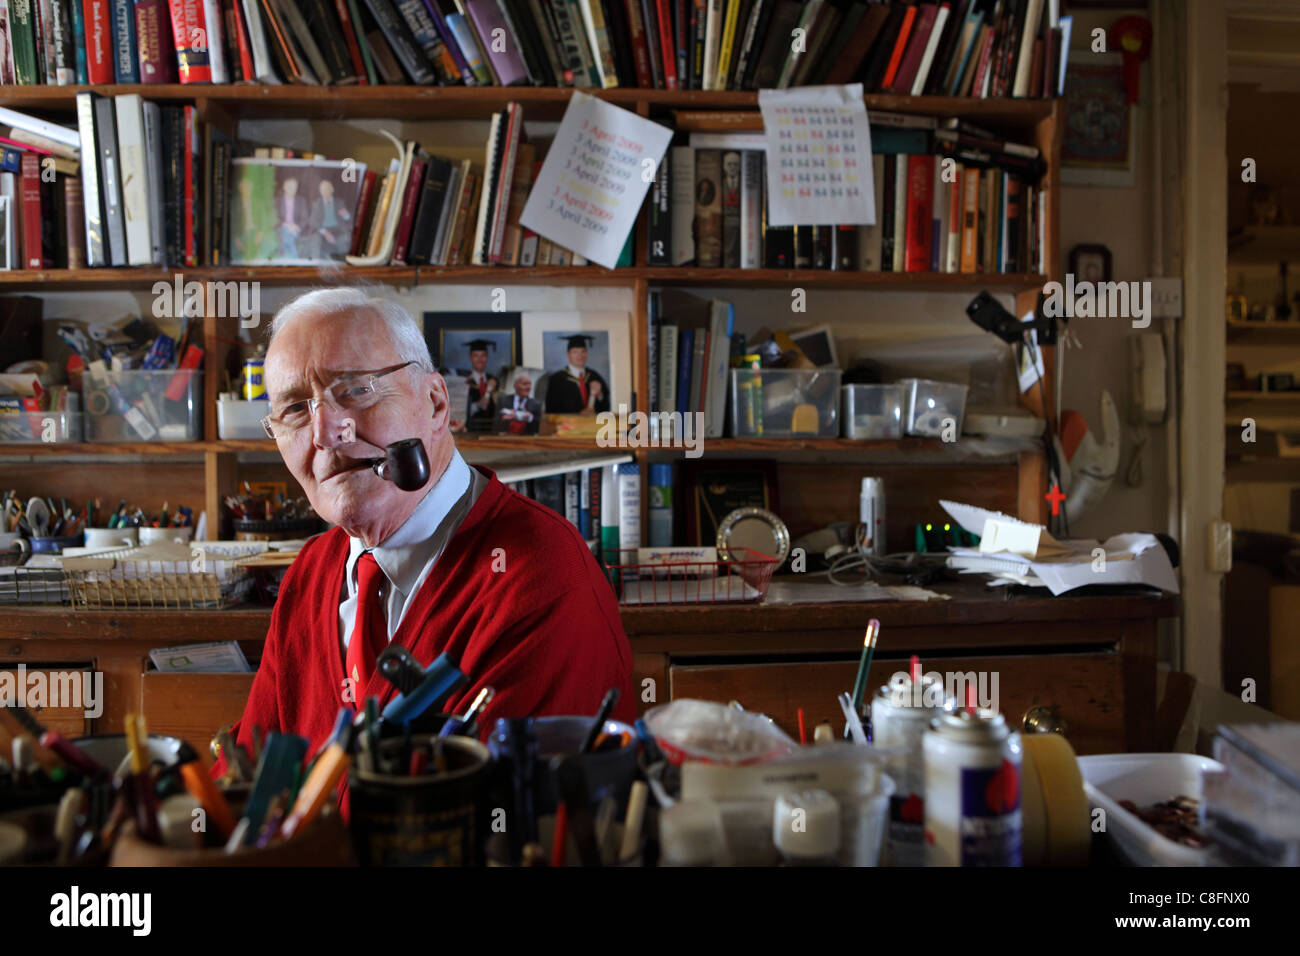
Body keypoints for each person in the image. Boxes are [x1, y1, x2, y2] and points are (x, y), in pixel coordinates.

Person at [214, 289, 635, 786]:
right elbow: (250, 779)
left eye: (355, 390)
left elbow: (500, 814)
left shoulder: (541, 574)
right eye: (294, 411)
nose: (326, 434)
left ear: (436, 403)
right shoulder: (311, 570)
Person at [544, 334, 610, 415]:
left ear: (587, 353)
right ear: (568, 354)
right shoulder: (556, 379)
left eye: (583, 351)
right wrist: (578, 414)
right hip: (567, 423)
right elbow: (551, 409)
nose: (580, 356)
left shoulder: (594, 376)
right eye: (575, 352)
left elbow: (606, 407)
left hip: (592, 422)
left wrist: (600, 395)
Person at [308, 179, 353, 260]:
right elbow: (312, 221)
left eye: (326, 189)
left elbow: (349, 220)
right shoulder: (317, 203)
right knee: (315, 239)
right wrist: (325, 232)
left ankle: (342, 262)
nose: (324, 192)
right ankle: (315, 263)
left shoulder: (340, 202)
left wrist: (346, 215)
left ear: (332, 190)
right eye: (322, 190)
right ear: (320, 191)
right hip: (323, 230)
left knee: (344, 239)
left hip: (338, 229)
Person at [462, 338, 499, 433]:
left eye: (483, 355)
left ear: (487, 358)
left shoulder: (494, 381)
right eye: (476, 355)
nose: (480, 359)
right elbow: (458, 410)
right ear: (470, 358)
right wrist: (477, 405)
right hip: (470, 431)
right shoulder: (464, 381)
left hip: (492, 431)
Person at [276, 177, 310, 259]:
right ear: (284, 187)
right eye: (290, 186)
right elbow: (275, 218)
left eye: (295, 187)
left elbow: (305, 218)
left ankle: (282, 254)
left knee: (286, 237)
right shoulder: (277, 201)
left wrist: (297, 227)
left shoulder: (301, 200)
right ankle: (296, 259)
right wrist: (287, 225)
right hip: (282, 228)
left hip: (296, 228)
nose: (293, 189)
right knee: (287, 234)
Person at [497, 371, 541, 435]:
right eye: (525, 384)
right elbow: (495, 422)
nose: (528, 387)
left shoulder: (536, 404)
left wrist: (530, 418)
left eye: (530, 384)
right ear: (515, 385)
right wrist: (505, 418)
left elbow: (538, 428)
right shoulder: (503, 400)